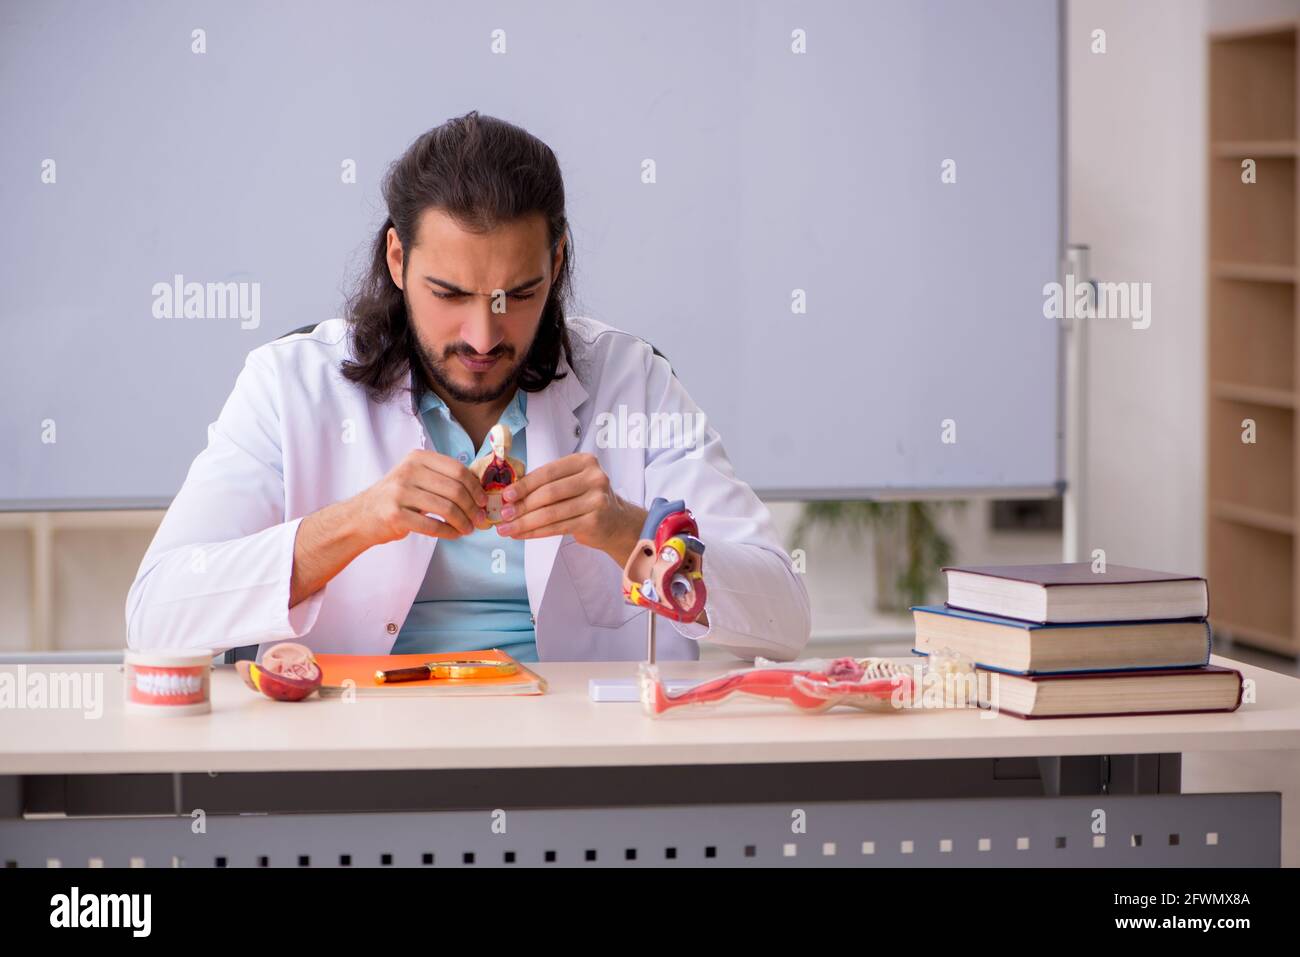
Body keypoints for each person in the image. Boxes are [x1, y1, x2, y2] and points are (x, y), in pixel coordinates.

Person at [125, 111, 811, 663]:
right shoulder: (289, 385)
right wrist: (357, 522)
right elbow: (156, 614)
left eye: (519, 293)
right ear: (397, 259)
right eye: (449, 293)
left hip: (582, 774)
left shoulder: (633, 384)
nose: (483, 336)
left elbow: (785, 616)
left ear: (558, 261)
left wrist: (631, 532)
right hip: (352, 767)